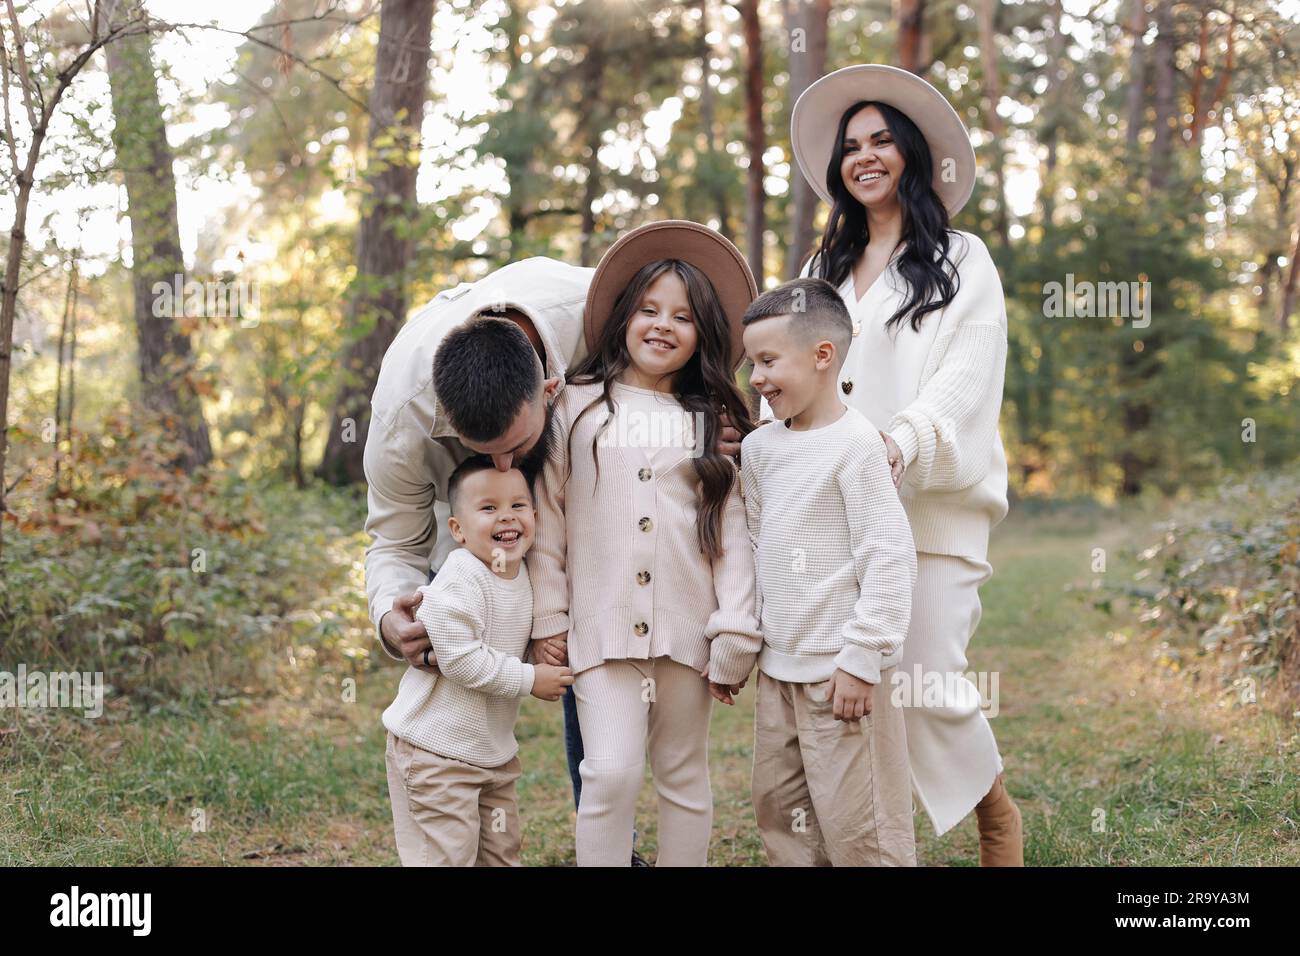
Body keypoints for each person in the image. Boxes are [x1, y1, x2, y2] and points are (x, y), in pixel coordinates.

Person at [364, 259, 744, 864]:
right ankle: (457, 790)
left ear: (551, 390)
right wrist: (390, 616)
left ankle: (619, 847)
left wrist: (711, 428)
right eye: (484, 452)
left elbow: (687, 335)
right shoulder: (400, 421)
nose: (507, 465)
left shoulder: (599, 306)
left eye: (517, 447)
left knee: (594, 681)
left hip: (609, 543)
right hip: (472, 530)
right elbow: (392, 544)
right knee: (525, 676)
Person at [785, 63, 1023, 864]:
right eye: (851, 146)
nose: (865, 156)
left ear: (912, 154)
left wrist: (901, 442)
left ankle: (996, 817)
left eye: (882, 139)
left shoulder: (964, 260)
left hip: (929, 514)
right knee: (858, 696)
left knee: (924, 687)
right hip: (838, 520)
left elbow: (965, 379)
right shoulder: (820, 276)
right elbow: (792, 377)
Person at [527, 220, 763, 867]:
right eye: (649, 310)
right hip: (599, 629)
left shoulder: (714, 423)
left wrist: (736, 628)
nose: (663, 325)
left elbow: (734, 534)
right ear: (625, 317)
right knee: (609, 774)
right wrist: (548, 614)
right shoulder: (575, 405)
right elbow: (547, 516)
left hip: (689, 627)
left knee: (684, 777)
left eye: (682, 317)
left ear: (702, 334)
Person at [740, 277, 918, 866]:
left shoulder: (857, 445)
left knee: (857, 821)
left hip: (841, 672)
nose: (756, 378)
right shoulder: (759, 449)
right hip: (778, 669)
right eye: (752, 364)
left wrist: (864, 659)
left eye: (768, 361)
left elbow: (887, 554)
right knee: (780, 807)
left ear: (823, 357)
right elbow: (756, 544)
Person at [381, 456, 574, 866]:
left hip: (492, 756)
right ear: (458, 530)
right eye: (489, 508)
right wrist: (529, 678)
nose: (507, 517)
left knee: (502, 852)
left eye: (518, 506)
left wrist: (538, 652)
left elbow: (504, 638)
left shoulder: (522, 574)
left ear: (535, 516)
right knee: (449, 855)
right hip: (437, 753)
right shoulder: (460, 575)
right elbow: (461, 659)